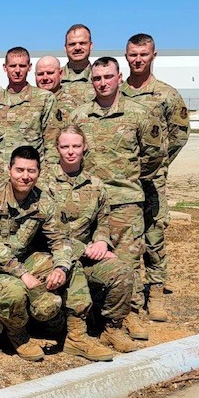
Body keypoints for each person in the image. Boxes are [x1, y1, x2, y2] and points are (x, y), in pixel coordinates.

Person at [67, 56, 164, 341]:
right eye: (97, 78)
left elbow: (154, 154)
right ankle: (97, 312)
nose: (103, 83)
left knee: (129, 260)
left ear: (118, 77)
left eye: (108, 77)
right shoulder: (80, 116)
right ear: (91, 80)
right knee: (91, 258)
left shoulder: (138, 114)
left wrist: (129, 178)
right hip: (90, 201)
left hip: (125, 201)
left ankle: (130, 316)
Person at [0, 146, 72, 362]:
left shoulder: (43, 201)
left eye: (31, 171)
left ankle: (60, 323)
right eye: (20, 170)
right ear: (9, 169)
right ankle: (18, 335)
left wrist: (61, 267)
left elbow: (60, 239)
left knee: (56, 265)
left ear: (39, 172)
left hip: (17, 260)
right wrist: (22, 274)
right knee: (14, 292)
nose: (25, 176)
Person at [43, 125, 138, 356]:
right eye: (65, 146)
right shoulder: (43, 183)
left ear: (85, 147)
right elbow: (45, 230)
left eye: (76, 146)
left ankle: (111, 328)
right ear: (57, 149)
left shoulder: (96, 185)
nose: (71, 151)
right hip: (54, 256)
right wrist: (86, 249)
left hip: (87, 255)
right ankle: (77, 335)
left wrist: (102, 243)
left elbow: (103, 221)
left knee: (122, 272)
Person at [123, 33, 190, 323]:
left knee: (153, 235)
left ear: (153, 55)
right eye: (133, 55)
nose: (138, 60)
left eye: (143, 54)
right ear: (126, 56)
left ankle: (156, 291)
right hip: (124, 181)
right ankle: (133, 294)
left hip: (151, 181)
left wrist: (157, 166)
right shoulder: (117, 91)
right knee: (127, 238)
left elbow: (179, 136)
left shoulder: (167, 94)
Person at [0, 47, 59, 193]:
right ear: (5, 68)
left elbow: (51, 147)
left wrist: (48, 184)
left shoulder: (44, 99)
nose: (17, 70)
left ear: (29, 67)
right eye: (13, 66)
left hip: (32, 183)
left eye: (22, 66)